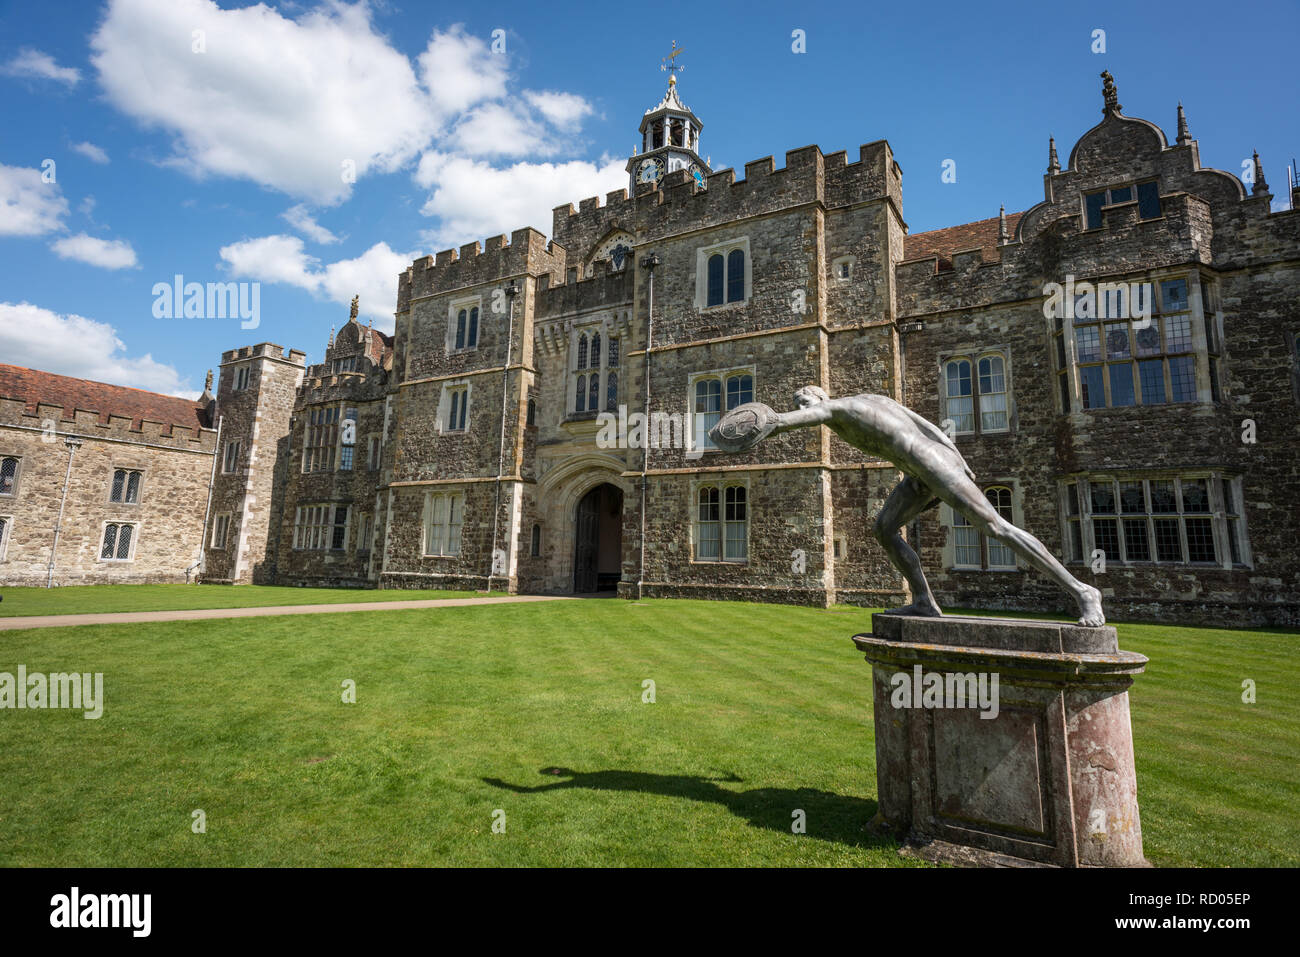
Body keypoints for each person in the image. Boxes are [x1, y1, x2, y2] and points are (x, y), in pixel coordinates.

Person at [710, 386, 1105, 626]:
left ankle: (1082, 590)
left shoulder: (840, 409)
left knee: (995, 527)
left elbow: (796, 420)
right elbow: (922, 422)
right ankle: (923, 602)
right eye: (799, 401)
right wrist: (956, 453)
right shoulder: (871, 400)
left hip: (931, 465)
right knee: (883, 528)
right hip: (920, 469)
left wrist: (775, 419)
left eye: (805, 399)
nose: (802, 404)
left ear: (819, 396)